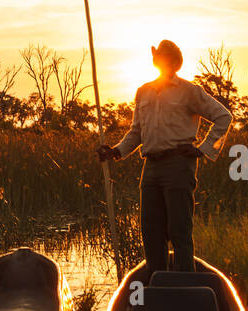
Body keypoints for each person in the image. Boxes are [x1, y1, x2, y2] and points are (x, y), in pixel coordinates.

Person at [97, 39, 232, 277]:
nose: (159, 59)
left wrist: (203, 148)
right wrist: (116, 151)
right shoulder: (144, 91)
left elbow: (223, 116)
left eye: (163, 56)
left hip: (179, 164)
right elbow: (136, 132)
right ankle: (157, 283)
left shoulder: (189, 91)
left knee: (179, 229)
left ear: (174, 62)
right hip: (151, 166)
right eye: (157, 56)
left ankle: (184, 285)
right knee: (150, 229)